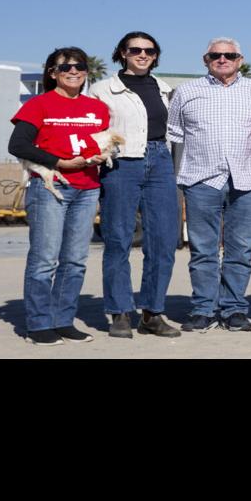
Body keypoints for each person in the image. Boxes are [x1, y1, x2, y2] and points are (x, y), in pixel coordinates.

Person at [167, 37, 251, 332]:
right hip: (201, 181)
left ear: (240, 59)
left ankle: (234, 309)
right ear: (206, 59)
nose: (223, 59)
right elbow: (175, 135)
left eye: (230, 55)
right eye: (216, 55)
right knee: (203, 250)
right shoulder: (186, 92)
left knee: (241, 249)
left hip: (247, 180)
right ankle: (204, 309)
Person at [10, 47, 111, 346]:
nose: (73, 71)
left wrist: (101, 156)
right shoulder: (38, 105)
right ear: (52, 73)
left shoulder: (98, 108)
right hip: (51, 186)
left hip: (87, 188)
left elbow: (101, 144)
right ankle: (39, 324)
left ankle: (63, 320)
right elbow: (18, 145)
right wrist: (59, 163)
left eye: (79, 66)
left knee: (76, 260)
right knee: (45, 259)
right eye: (64, 67)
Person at [88, 31, 181, 339]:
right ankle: (119, 313)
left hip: (160, 161)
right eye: (135, 49)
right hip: (121, 163)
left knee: (164, 241)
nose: (143, 54)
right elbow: (91, 128)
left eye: (149, 50)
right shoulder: (103, 89)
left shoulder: (164, 89)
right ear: (123, 53)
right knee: (118, 239)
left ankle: (152, 313)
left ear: (156, 55)